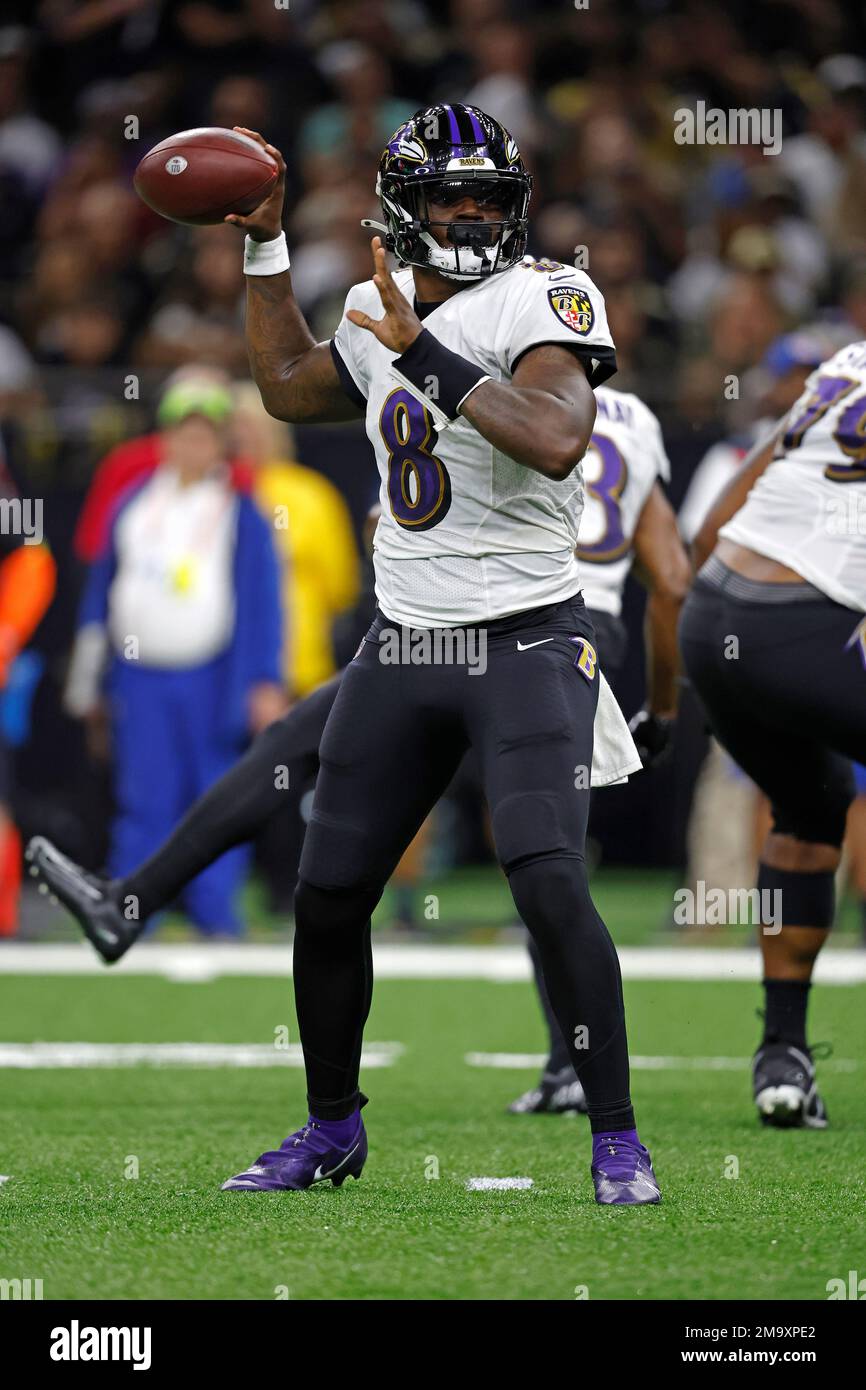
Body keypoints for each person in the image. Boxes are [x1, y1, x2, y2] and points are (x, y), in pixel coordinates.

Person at [30, 104, 660, 1205]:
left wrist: (427, 352)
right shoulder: (373, 308)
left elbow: (558, 438)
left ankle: (615, 1138)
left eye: (485, 197)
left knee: (548, 883)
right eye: (445, 197)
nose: (467, 214)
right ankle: (331, 1128)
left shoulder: (542, 295)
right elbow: (286, 389)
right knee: (327, 898)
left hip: (526, 639)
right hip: (403, 641)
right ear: (400, 212)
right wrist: (262, 247)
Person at [680, 338, 866, 1128]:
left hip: (717, 614)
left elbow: (722, 515)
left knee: (812, 802)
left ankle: (782, 1056)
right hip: (809, 619)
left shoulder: (846, 364)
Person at [509, 383, 691, 1114]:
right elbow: (673, 582)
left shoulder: (497, 384)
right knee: (548, 846)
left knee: (536, 850)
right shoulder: (639, 417)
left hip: (505, 618)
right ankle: (570, 1065)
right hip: (593, 632)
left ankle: (568, 1066)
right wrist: (665, 706)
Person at [63, 376, 285, 937]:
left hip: (213, 677)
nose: (192, 448)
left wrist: (263, 679)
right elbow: (101, 594)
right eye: (183, 436)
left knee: (218, 799)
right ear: (164, 439)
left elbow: (262, 603)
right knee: (144, 798)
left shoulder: (240, 512)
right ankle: (135, 917)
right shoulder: (132, 506)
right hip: (140, 678)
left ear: (219, 446)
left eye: (204, 438)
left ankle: (218, 918)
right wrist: (88, 682)